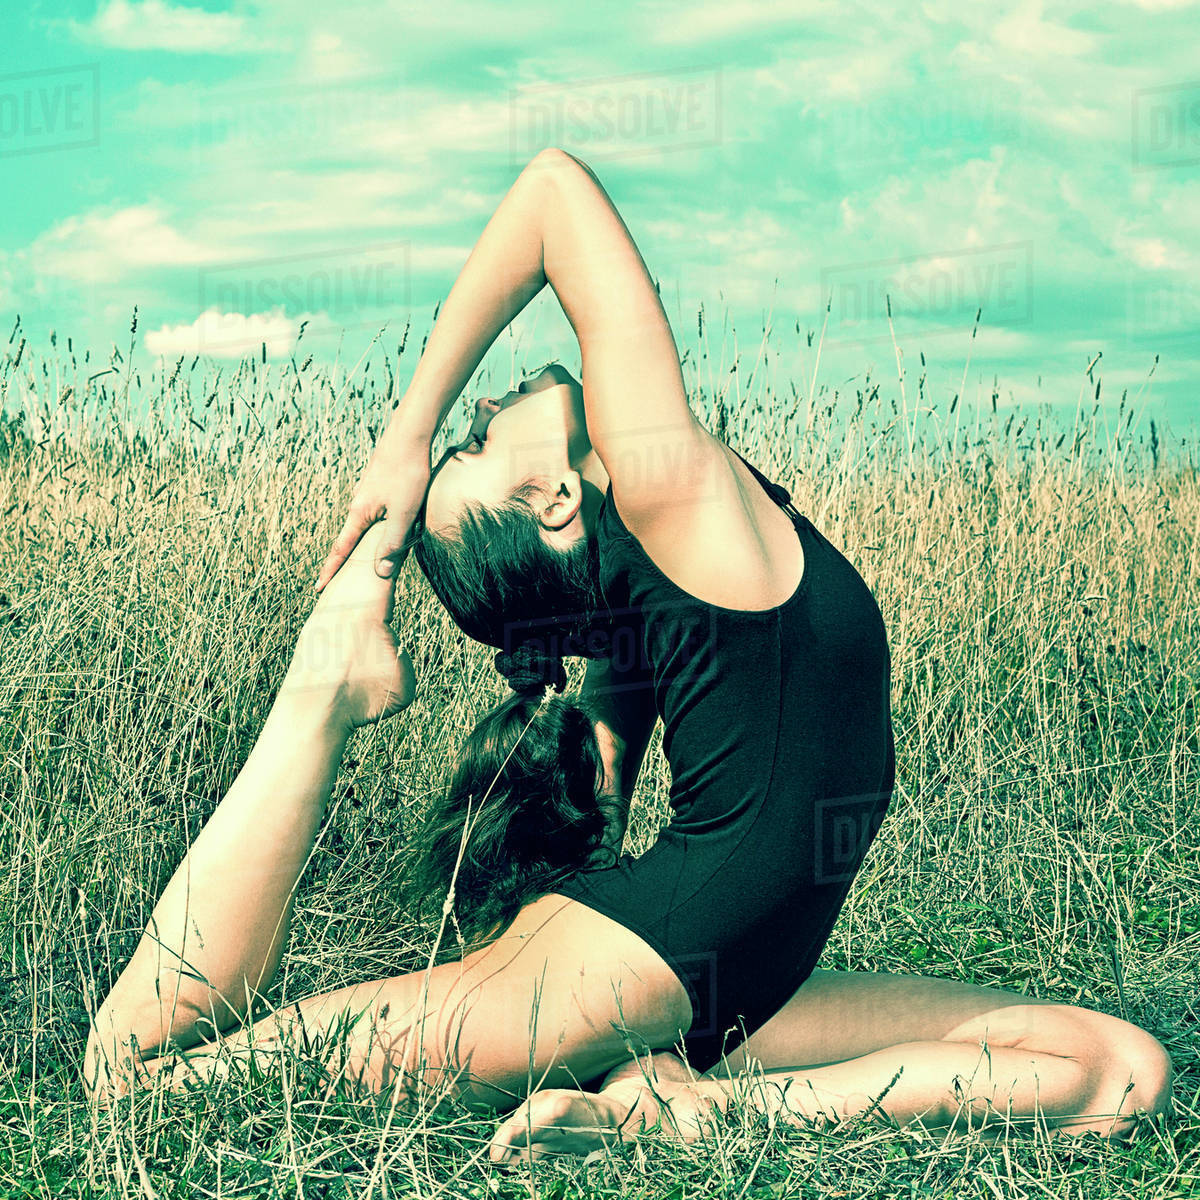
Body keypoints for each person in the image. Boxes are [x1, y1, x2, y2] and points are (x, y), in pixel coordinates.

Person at [84, 149, 1172, 1153]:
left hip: (734, 979)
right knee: (134, 1082)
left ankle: (690, 1107)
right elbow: (554, 192)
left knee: (1120, 1069)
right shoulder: (660, 488)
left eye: (463, 431)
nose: (492, 403)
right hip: (612, 973)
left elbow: (600, 787)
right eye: (477, 441)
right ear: (557, 498)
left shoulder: (656, 590)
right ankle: (324, 689)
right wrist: (409, 437)